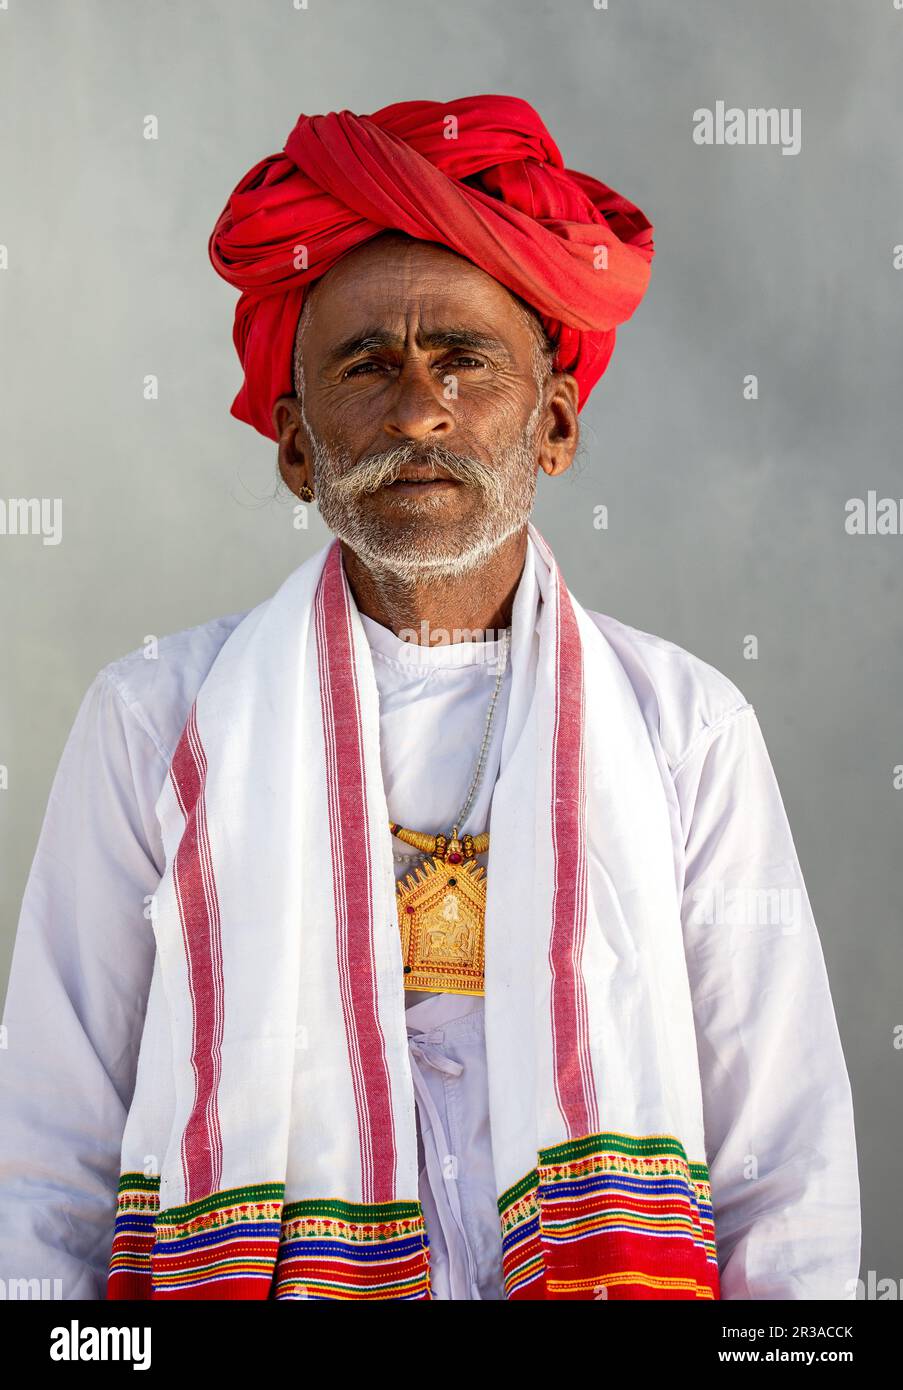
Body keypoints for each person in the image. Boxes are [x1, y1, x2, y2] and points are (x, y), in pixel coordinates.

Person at [0, 95, 859, 1301]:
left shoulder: (686, 729)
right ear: (297, 448)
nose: (418, 410)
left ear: (553, 424)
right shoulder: (156, 722)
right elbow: (47, 1156)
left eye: (464, 357)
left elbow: (785, 1168)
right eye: (367, 366)